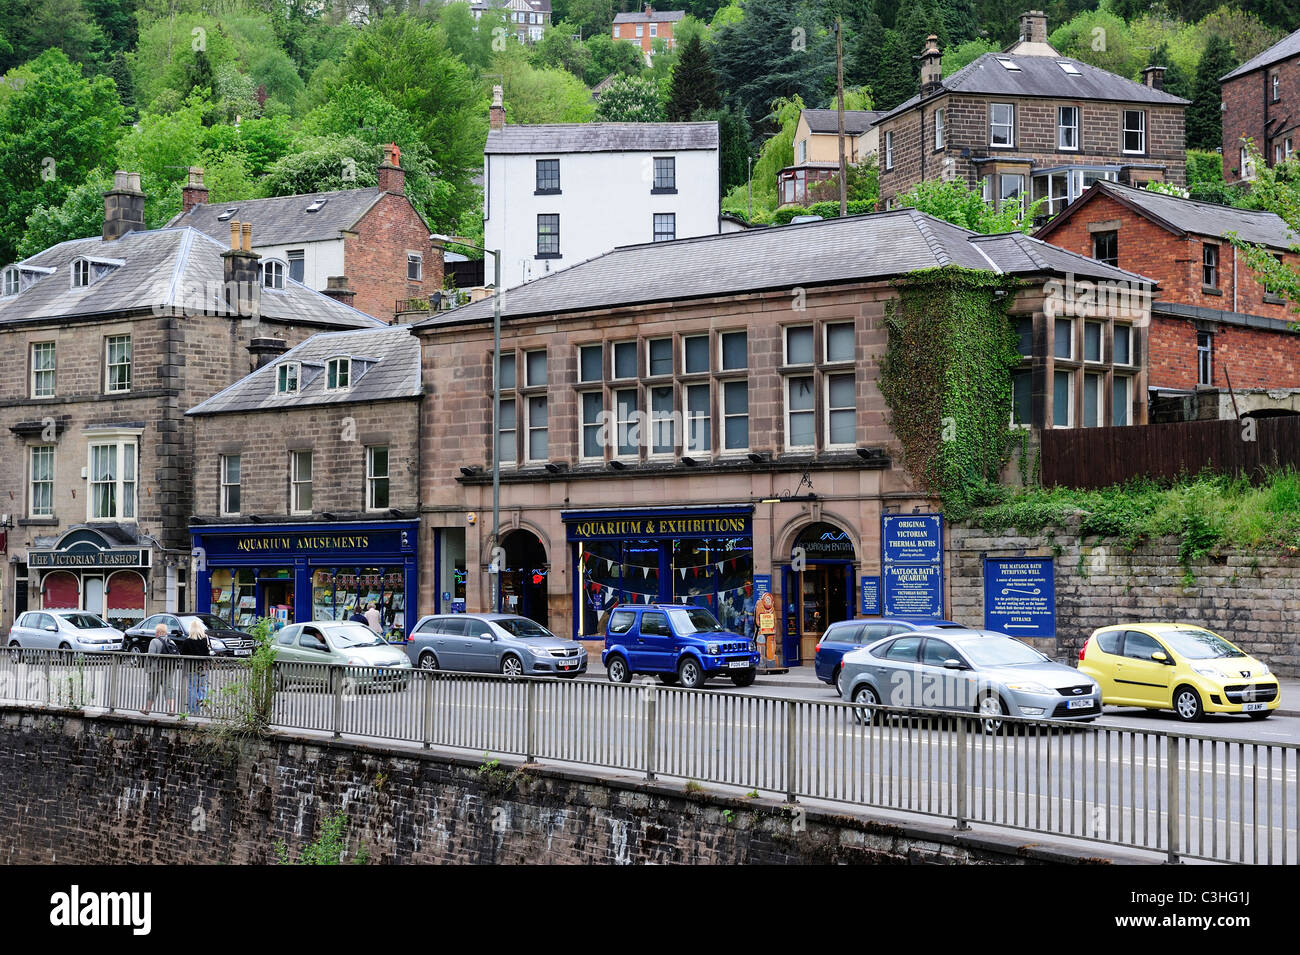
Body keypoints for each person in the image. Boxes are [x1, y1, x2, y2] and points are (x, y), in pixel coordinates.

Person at [142, 622, 176, 715]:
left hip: (155, 670)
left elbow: (151, 655)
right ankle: (172, 710)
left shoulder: (154, 641)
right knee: (168, 689)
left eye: (155, 631)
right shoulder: (171, 642)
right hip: (169, 669)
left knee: (153, 689)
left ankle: (147, 709)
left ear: (158, 632)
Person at [180, 619, 211, 714]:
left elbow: (182, 654)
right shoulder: (206, 639)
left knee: (192, 688)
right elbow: (208, 652)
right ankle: (202, 701)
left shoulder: (187, 641)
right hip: (203, 667)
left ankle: (193, 710)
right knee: (202, 686)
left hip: (191, 668)